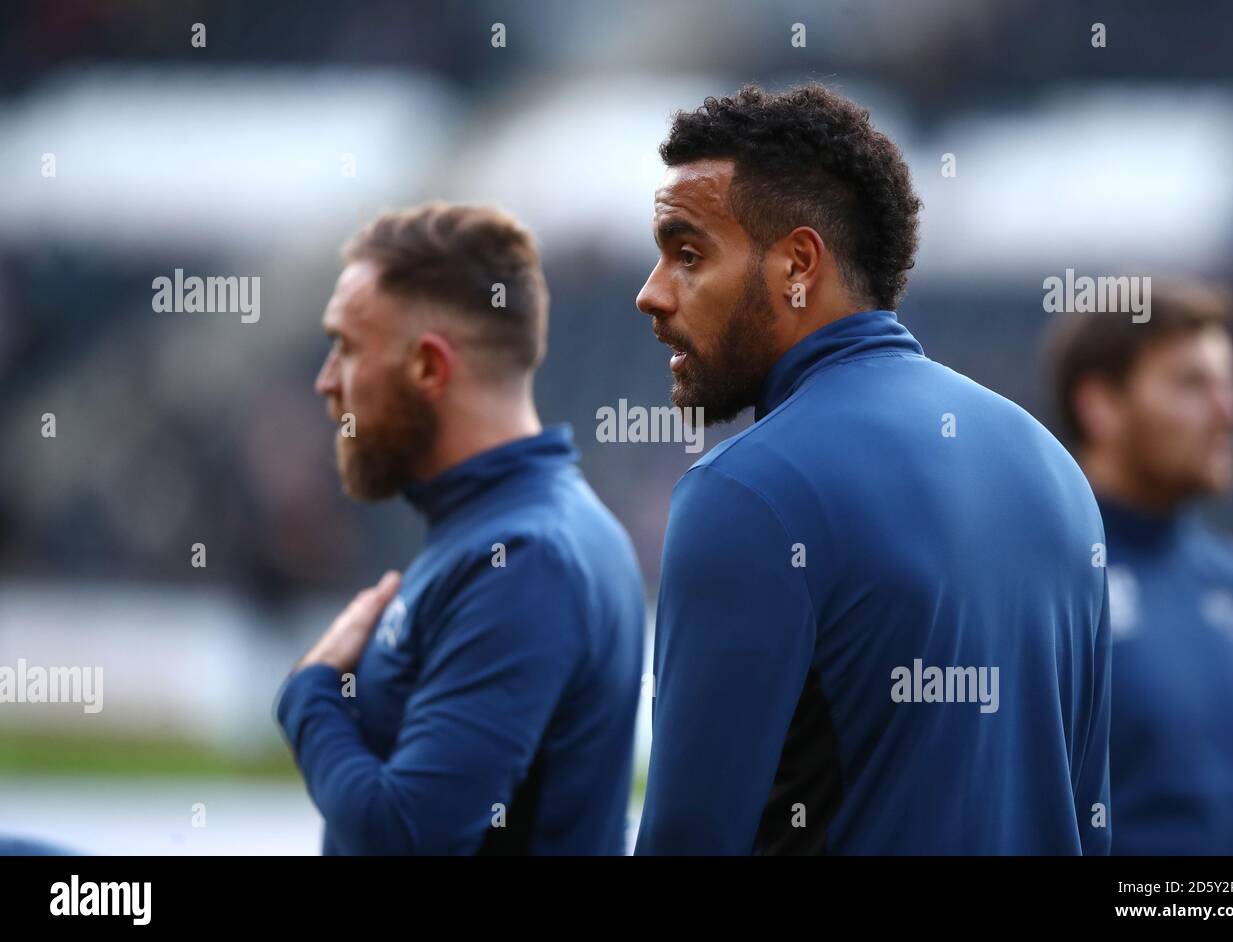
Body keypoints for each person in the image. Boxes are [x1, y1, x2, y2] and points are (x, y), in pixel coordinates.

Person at [632, 83, 1110, 855]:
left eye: (688, 254)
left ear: (797, 263)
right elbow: (1090, 821)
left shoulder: (745, 494)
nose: (651, 294)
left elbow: (690, 840)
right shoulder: (1057, 472)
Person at [276, 202, 644, 854]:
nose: (325, 381)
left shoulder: (525, 557)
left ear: (428, 367)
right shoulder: (507, 529)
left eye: (346, 347)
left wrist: (311, 693)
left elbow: (407, 834)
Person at [1046, 281, 1233, 854]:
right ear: (1100, 405)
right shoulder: (1042, 586)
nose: (1229, 409)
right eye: (1193, 384)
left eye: (1229, 382)